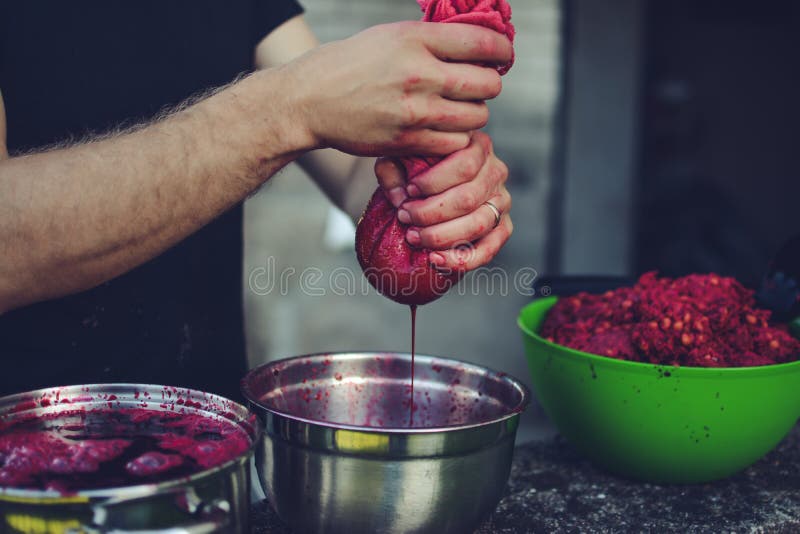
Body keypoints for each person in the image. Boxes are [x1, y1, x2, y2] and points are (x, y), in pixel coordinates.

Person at [0, 1, 513, 400]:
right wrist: (286, 108)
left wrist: (442, 184)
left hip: (210, 439)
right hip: (27, 456)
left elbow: (359, 172)